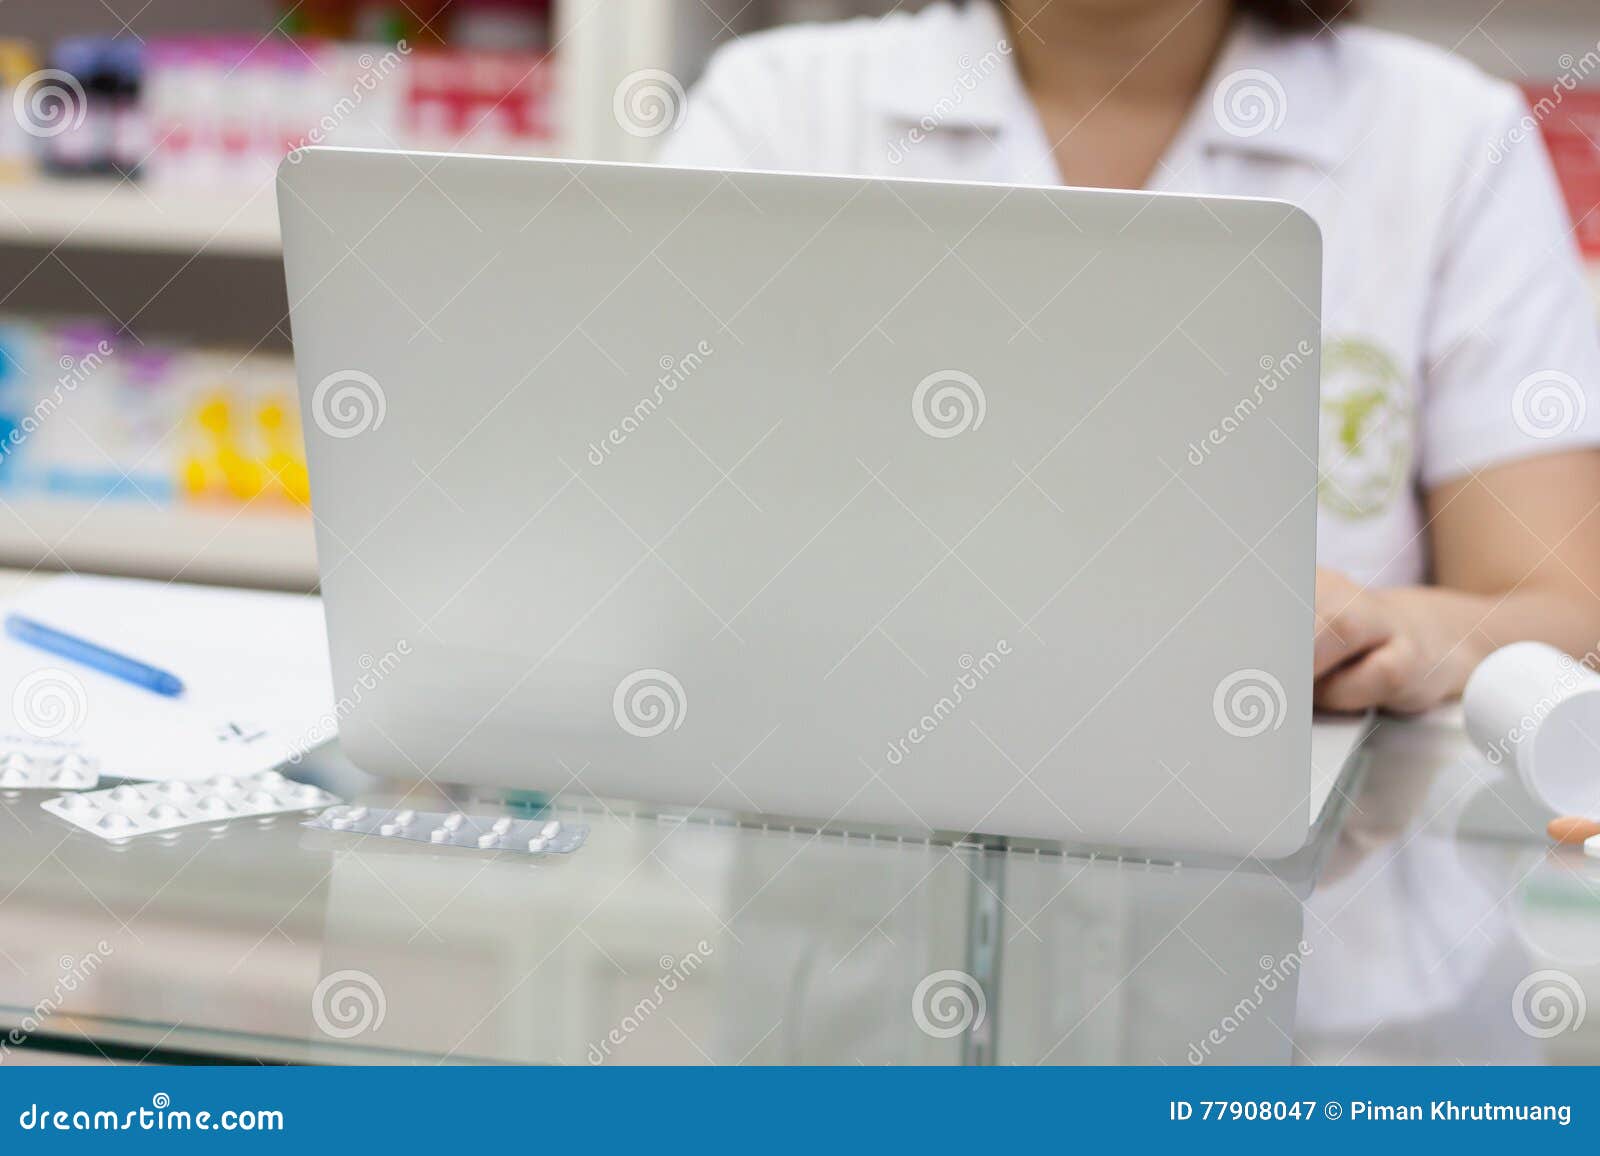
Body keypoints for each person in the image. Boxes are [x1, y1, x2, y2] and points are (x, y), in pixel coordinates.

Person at [657, 0, 1600, 715]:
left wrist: (1413, 633)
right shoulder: (777, 108)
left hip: (1325, 889)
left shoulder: (1448, 135)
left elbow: (1565, 611)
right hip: (858, 858)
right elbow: (642, 559)